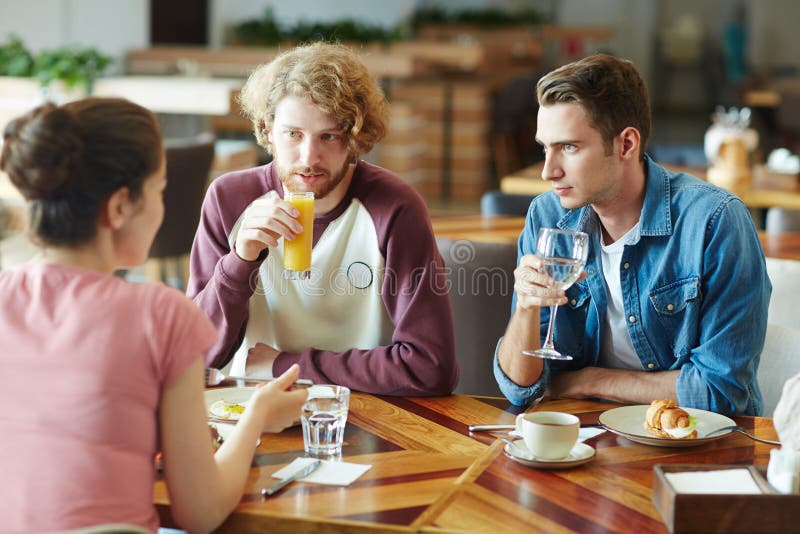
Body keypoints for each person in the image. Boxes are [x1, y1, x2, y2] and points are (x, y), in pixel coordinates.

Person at [0, 98, 308, 533]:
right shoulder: (160, 315)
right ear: (120, 207)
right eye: (159, 190)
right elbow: (201, 512)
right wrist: (256, 415)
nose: (162, 209)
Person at [494, 54, 770, 416]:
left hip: (692, 437)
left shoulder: (714, 221)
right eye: (545, 147)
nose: (548, 171)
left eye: (569, 147)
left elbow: (721, 391)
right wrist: (526, 309)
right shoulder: (548, 216)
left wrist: (588, 381)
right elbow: (520, 388)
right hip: (582, 431)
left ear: (626, 144)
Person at [188, 42, 458, 396]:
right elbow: (194, 357)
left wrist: (285, 365)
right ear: (268, 130)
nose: (308, 158)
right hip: (248, 407)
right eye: (293, 134)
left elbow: (431, 367)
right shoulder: (229, 199)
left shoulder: (395, 208)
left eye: (329, 136)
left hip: (361, 410)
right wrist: (239, 261)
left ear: (355, 138)